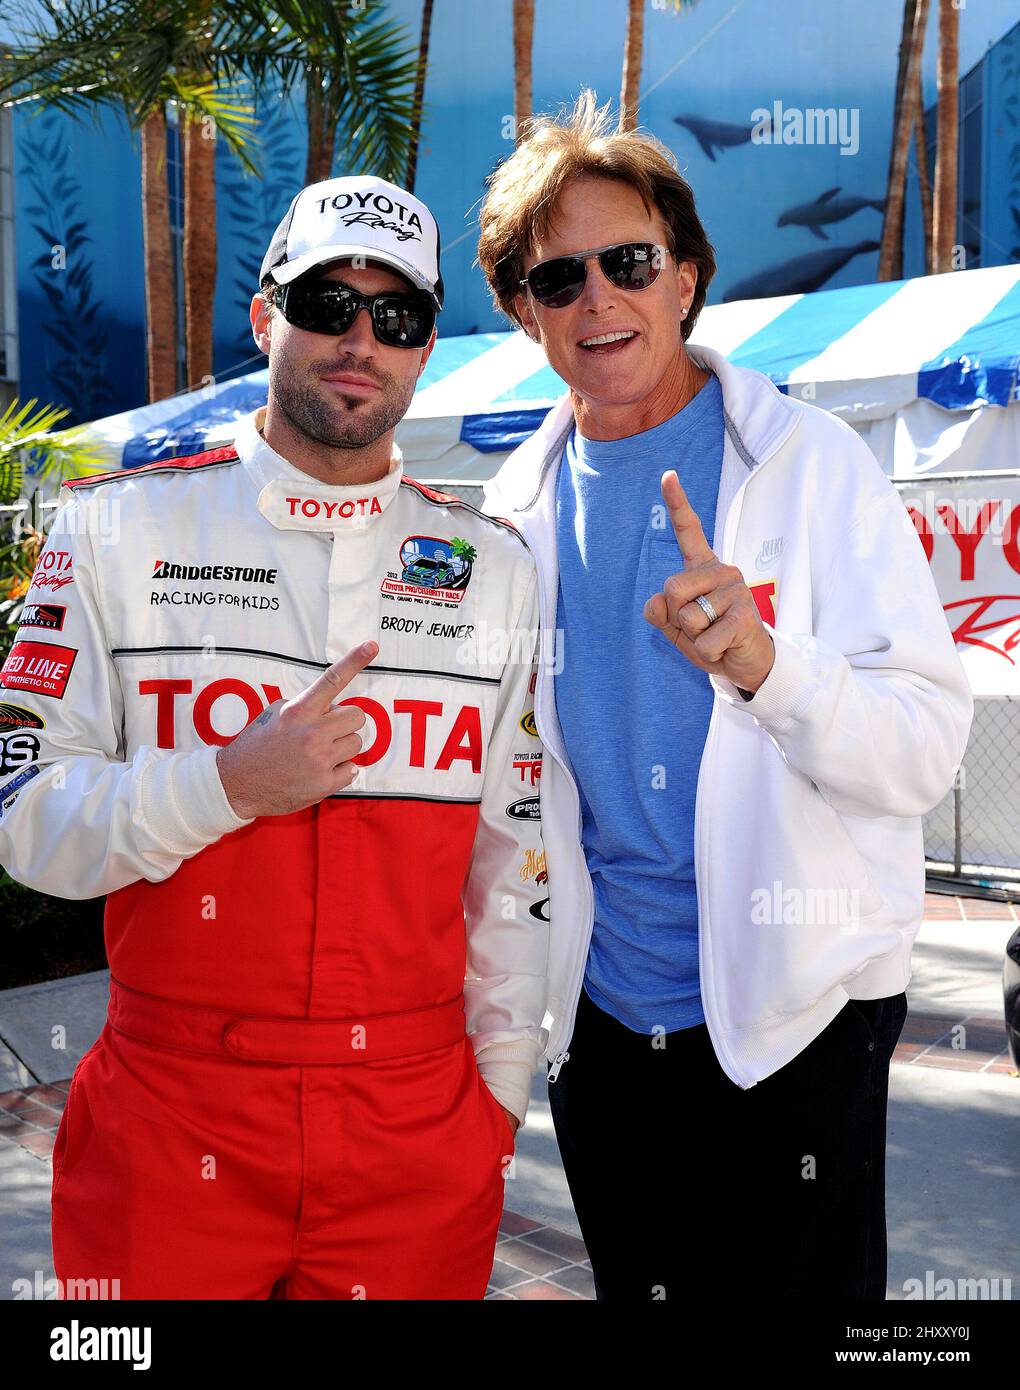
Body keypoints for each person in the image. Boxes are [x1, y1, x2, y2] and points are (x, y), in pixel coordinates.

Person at [0, 175, 548, 1300]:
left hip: (418, 1125)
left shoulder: (496, 568)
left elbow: (517, 861)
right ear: (264, 317)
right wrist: (224, 784)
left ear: (426, 346)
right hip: (166, 1115)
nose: (360, 339)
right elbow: (25, 823)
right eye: (325, 302)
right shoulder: (112, 525)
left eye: (395, 317)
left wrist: (499, 1094)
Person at [478, 91, 974, 1300]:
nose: (598, 297)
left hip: (799, 1022)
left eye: (629, 261)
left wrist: (766, 664)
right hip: (599, 1029)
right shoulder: (509, 519)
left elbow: (923, 753)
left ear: (686, 279)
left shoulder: (815, 467)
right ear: (522, 314)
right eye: (558, 279)